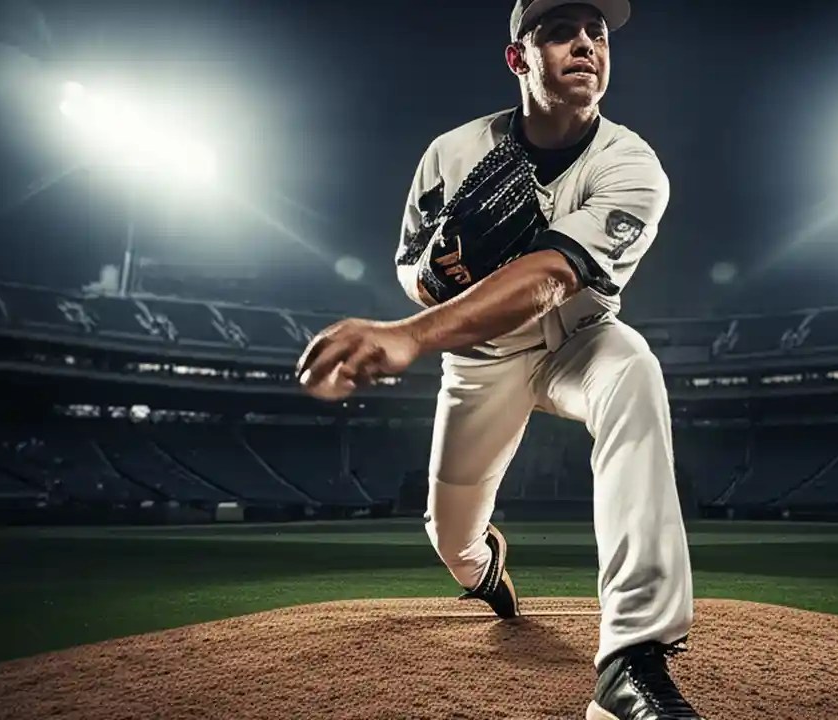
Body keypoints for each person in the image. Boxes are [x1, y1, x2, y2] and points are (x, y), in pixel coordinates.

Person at [296, 2, 702, 717]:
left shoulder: (632, 165)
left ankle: (632, 659)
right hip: (481, 359)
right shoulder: (451, 153)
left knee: (634, 369)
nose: (586, 44)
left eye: (597, 33)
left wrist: (411, 334)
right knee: (450, 536)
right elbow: (409, 265)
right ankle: (484, 567)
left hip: (578, 339)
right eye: (561, 32)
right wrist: (434, 278)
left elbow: (552, 277)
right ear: (518, 58)